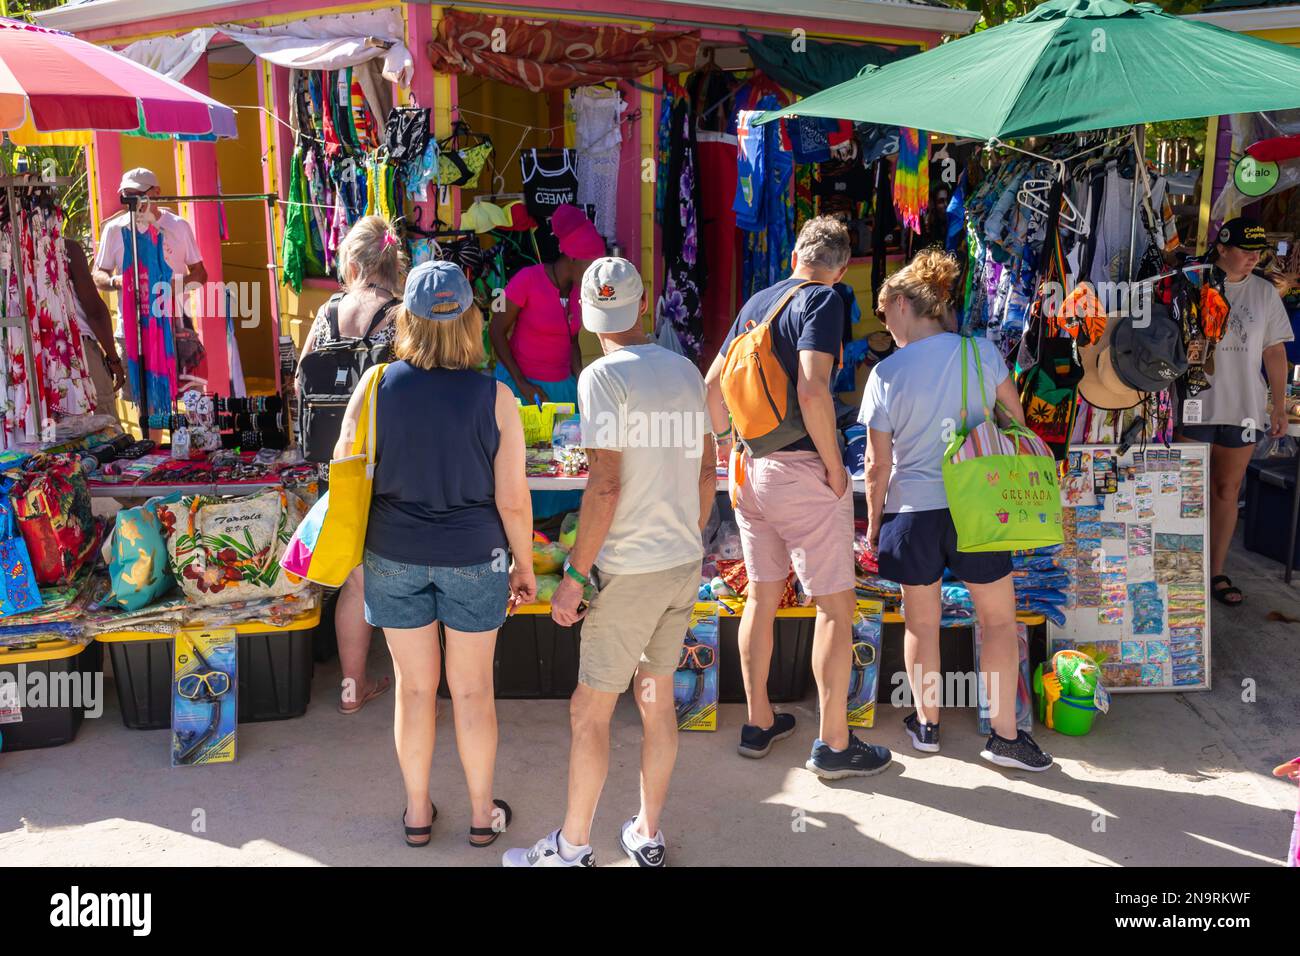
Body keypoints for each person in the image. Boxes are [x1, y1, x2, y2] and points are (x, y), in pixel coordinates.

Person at [504, 257, 714, 868]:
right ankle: (647, 833)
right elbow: (706, 471)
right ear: (642, 305)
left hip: (630, 571)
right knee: (655, 699)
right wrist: (684, 536)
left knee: (589, 711)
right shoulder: (686, 372)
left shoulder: (601, 376)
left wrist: (572, 577)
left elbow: (604, 486)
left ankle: (571, 849)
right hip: (681, 563)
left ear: (590, 318)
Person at [335, 259, 536, 848]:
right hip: (476, 557)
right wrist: (523, 567)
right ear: (470, 320)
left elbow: (345, 472)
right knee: (473, 690)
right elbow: (515, 502)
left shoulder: (375, 386)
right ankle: (481, 815)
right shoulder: (496, 397)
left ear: (409, 320)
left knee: (414, 688)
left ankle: (418, 813)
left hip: (392, 553)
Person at [704, 216, 892, 780]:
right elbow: (813, 387)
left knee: (761, 598)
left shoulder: (758, 302)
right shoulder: (825, 302)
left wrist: (724, 446)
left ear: (794, 256)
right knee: (834, 606)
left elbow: (711, 386)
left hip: (749, 468)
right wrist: (836, 468)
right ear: (840, 267)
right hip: (802, 470)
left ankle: (759, 722)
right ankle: (834, 745)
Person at [859, 249, 1052, 772]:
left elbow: (877, 466)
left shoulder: (886, 373)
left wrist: (873, 526)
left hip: (912, 512)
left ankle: (927, 726)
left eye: (884, 313)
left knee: (921, 624)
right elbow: (1015, 422)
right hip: (980, 508)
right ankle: (1006, 737)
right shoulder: (981, 354)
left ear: (901, 304)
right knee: (998, 622)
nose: (886, 325)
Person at [298, 215, 405, 715]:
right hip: (388, 465)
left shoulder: (327, 312)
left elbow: (300, 381)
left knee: (356, 578)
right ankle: (417, 692)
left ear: (356, 264)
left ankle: (350, 688)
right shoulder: (403, 316)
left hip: (335, 466)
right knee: (403, 576)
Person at [1177, 217, 1293, 607]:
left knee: (1227, 490)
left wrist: (1278, 404)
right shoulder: (1192, 284)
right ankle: (1179, 568)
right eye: (1245, 251)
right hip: (1194, 405)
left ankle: (1215, 571)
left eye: (1257, 253)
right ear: (1222, 248)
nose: (1252, 259)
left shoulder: (1264, 292)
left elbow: (1274, 352)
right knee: (1184, 491)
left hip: (1243, 408)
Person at [489, 203, 604, 520]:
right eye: (591, 262)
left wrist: (583, 382)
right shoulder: (528, 280)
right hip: (525, 392)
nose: (595, 269)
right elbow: (496, 332)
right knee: (526, 472)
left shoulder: (581, 291)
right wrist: (522, 383)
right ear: (573, 259)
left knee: (563, 472)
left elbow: (572, 342)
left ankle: (554, 536)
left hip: (562, 394)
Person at [92, 167, 207, 370]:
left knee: (183, 394)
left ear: (156, 192)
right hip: (131, 329)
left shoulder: (179, 226)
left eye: (139, 195)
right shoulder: (114, 229)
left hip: (176, 327)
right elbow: (98, 274)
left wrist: (171, 287)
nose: (133, 201)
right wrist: (115, 281)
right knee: (138, 397)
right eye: (127, 196)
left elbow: (200, 274)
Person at [66, 237, 125, 424]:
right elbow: (95, 312)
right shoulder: (67, 248)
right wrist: (113, 359)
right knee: (104, 429)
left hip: (30, 357)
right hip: (79, 351)